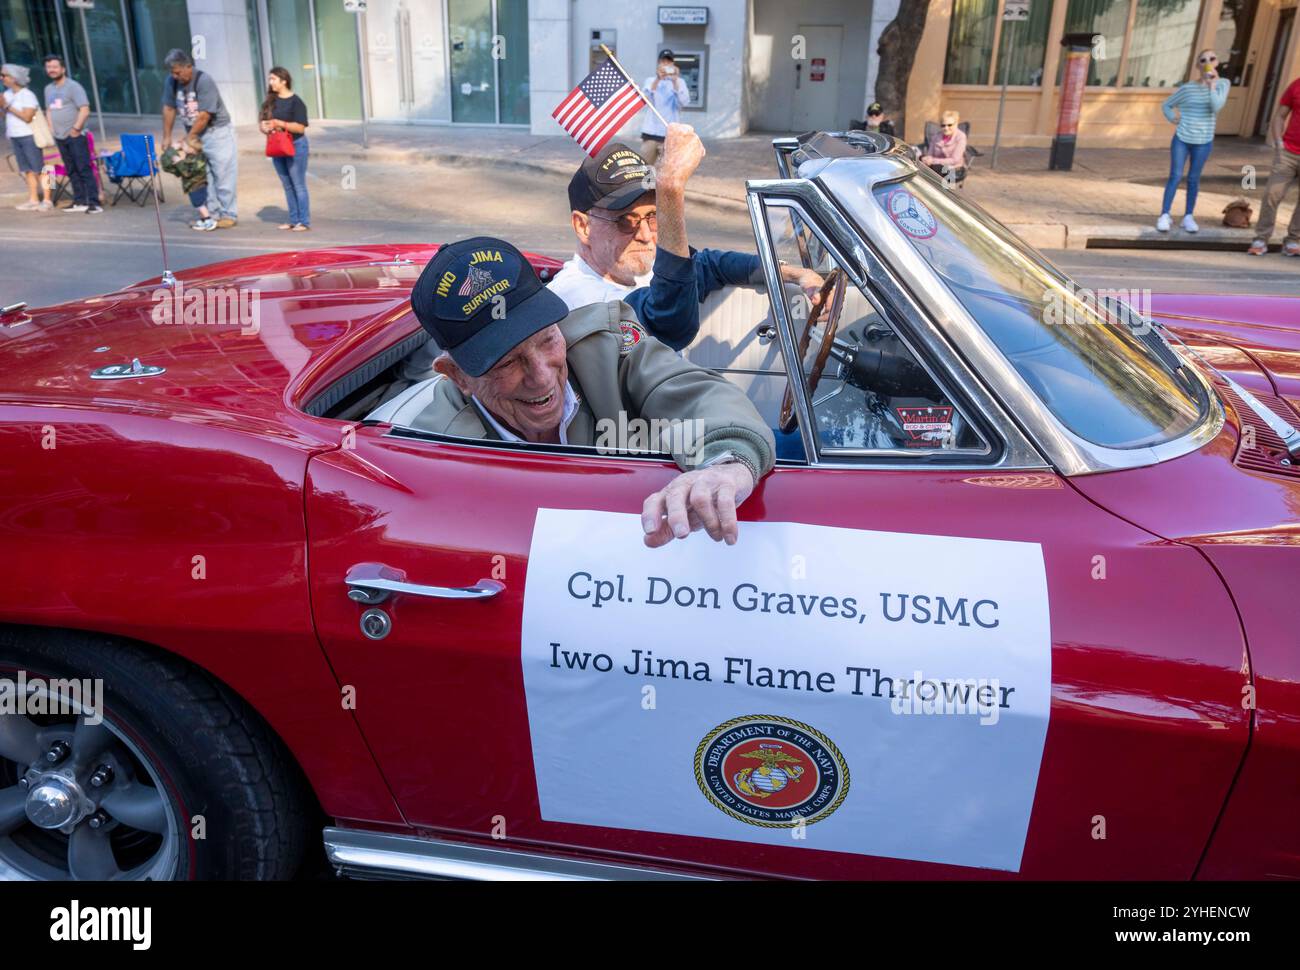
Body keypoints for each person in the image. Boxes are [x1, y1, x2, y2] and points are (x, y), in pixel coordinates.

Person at [405, 236, 775, 547]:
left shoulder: (608, 342)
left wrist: (727, 464)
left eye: (548, 338)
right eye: (507, 363)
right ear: (458, 377)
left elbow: (698, 395)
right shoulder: (432, 455)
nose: (542, 376)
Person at [548, 125, 825, 350]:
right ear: (583, 227)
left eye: (654, 216)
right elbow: (669, 325)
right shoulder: (574, 300)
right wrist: (670, 186)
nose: (646, 236)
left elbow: (709, 265)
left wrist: (794, 275)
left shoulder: (627, 271)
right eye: (626, 221)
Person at [161, 49, 237, 228]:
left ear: (189, 66)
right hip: (194, 134)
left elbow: (204, 116)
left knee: (223, 174)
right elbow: (169, 109)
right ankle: (212, 215)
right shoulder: (171, 82)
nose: (175, 76)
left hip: (216, 132)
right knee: (203, 176)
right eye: (172, 72)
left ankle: (228, 214)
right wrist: (167, 136)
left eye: (178, 72)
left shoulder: (204, 81)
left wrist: (188, 139)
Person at [1157, 49, 1230, 234]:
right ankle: (1165, 214)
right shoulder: (1188, 88)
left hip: (1204, 140)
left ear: (1217, 62)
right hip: (1182, 138)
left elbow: (1216, 106)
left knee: (1193, 179)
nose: (1208, 62)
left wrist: (1211, 84)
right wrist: (1172, 118)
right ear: (1198, 65)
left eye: (1212, 59)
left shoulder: (1222, 84)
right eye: (1203, 60)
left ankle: (1188, 216)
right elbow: (1166, 104)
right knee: (1175, 175)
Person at [1247, 74, 1300, 257]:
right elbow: (1279, 116)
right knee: (1272, 194)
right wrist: (1278, 142)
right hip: (1288, 153)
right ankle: (1261, 239)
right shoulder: (1296, 86)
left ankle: (1293, 240)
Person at [42, 54, 97, 213]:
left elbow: (85, 109)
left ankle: (93, 202)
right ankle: (79, 201)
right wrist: (51, 129)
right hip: (60, 137)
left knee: (83, 168)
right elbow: (49, 110)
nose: (51, 70)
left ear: (63, 69)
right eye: (48, 67)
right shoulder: (48, 89)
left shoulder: (73, 87)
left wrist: (75, 129)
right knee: (71, 170)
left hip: (75, 136)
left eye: (54, 67)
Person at [259, 67, 310, 231]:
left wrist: (279, 123)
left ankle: (304, 221)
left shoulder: (296, 102)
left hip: (296, 146)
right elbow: (263, 122)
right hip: (277, 146)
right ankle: (294, 220)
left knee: (298, 184)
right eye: (270, 79)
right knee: (287, 185)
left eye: (273, 79)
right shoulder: (269, 102)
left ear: (284, 81)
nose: (270, 82)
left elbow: (300, 128)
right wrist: (264, 127)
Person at [2, 64, 52, 212]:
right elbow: (6, 116)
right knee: (27, 169)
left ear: (14, 78)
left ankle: (48, 199)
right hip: (14, 135)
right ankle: (34, 199)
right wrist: (2, 107)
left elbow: (27, 116)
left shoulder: (27, 95)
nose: (2, 78)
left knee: (41, 169)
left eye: (4, 75)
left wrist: (7, 106)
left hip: (29, 135)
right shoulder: (7, 94)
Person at [640, 50, 689, 165]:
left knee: (667, 169)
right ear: (659, 63)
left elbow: (683, 102)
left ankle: (662, 184)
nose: (666, 64)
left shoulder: (680, 82)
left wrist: (675, 81)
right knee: (646, 168)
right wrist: (658, 79)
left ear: (673, 64)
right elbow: (645, 99)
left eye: (669, 61)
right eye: (663, 61)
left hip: (670, 133)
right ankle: (648, 184)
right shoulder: (650, 80)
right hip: (651, 131)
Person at [160, 135, 214, 231]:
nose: (182, 147)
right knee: (200, 203)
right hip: (194, 185)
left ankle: (208, 220)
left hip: (196, 186)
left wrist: (178, 161)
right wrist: (173, 149)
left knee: (199, 204)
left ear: (192, 148)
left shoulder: (196, 159)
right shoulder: (194, 155)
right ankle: (203, 220)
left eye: (184, 146)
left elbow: (187, 172)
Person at [920, 110, 967, 180]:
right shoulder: (936, 136)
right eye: (943, 125)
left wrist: (932, 160)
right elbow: (930, 154)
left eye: (950, 125)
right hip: (936, 166)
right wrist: (927, 159)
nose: (946, 128)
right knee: (920, 161)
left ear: (956, 124)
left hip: (953, 168)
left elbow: (955, 160)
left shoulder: (961, 137)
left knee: (934, 173)